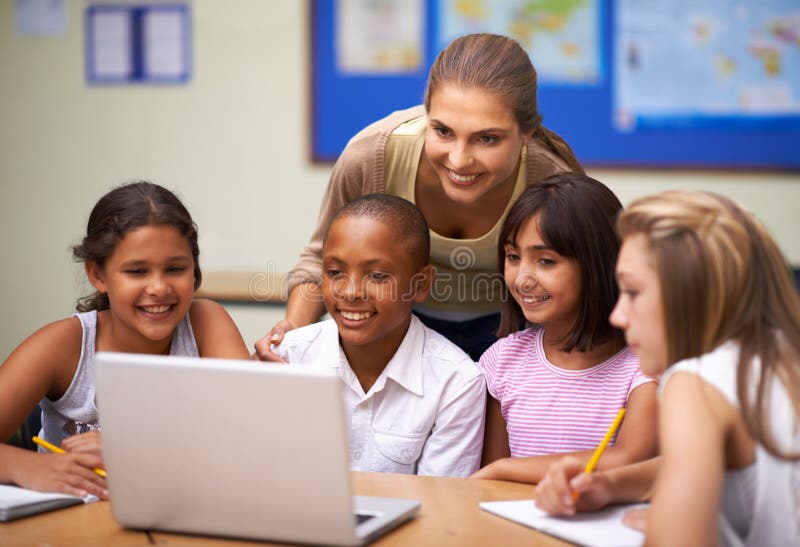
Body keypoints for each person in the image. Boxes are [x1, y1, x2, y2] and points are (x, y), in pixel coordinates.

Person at [255, 33, 584, 362]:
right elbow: (320, 258)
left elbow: (583, 280)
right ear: (427, 114)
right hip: (398, 322)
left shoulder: (553, 180)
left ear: (526, 133)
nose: (459, 160)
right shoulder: (373, 157)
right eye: (442, 131)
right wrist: (291, 337)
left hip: (515, 329)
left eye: (487, 138)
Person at [534, 191, 800, 545]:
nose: (618, 316)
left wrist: (666, 520)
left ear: (690, 295)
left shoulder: (695, 384)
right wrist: (610, 485)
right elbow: (704, 464)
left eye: (631, 292)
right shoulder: (777, 359)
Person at [0, 181, 250, 500]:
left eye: (175, 268)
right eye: (137, 271)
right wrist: (30, 467)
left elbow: (247, 439)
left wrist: (129, 452)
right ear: (98, 275)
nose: (159, 287)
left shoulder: (206, 324)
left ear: (194, 270)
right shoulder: (63, 345)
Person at [271, 194, 486, 477]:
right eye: (335, 272)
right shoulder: (287, 359)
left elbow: (441, 502)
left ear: (420, 284)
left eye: (377, 276)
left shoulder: (456, 383)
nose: (351, 292)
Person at [472, 173, 658, 484]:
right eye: (513, 257)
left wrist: (504, 469)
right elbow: (494, 488)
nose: (523, 279)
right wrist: (498, 471)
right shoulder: (503, 360)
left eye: (546, 261)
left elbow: (629, 459)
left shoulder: (645, 365)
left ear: (599, 263)